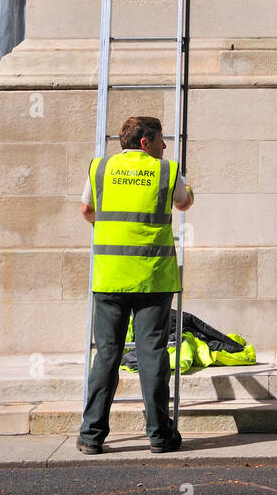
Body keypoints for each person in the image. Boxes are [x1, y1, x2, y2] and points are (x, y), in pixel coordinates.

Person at [77, 115, 194, 455]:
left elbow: (86, 210)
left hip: (110, 277)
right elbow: (183, 203)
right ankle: (159, 434)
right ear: (145, 142)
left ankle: (92, 435)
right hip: (152, 278)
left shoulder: (100, 168)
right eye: (160, 140)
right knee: (152, 354)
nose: (164, 146)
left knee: (107, 356)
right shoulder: (167, 171)